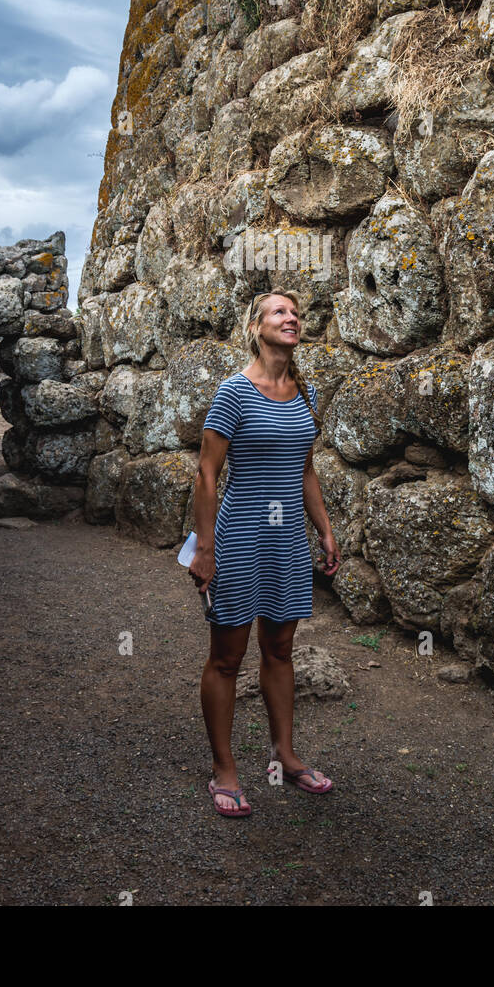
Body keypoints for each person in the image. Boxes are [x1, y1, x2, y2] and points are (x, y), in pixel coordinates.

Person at [189, 290, 341, 818]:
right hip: (239, 539)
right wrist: (205, 549)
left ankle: (286, 754)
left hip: (286, 543)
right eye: (280, 312)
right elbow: (207, 474)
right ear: (256, 326)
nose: (292, 318)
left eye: (296, 313)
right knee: (226, 658)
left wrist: (323, 530)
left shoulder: (305, 394)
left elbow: (305, 470)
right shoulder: (233, 393)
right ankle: (224, 769)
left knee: (279, 651)